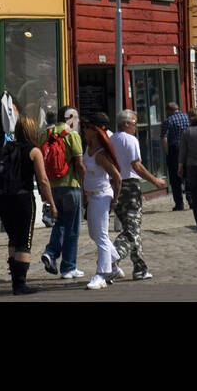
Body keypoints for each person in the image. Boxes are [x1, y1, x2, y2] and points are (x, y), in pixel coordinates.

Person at [0, 116, 57, 295]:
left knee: (13, 238)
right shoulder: (34, 151)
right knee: (24, 239)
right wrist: (51, 203)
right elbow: (43, 180)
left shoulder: (5, 149)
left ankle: (16, 280)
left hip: (3, 199)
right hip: (22, 198)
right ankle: (20, 284)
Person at [110, 109, 168, 278]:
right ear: (126, 124)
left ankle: (140, 268)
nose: (136, 126)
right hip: (129, 187)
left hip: (115, 186)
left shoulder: (111, 140)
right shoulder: (131, 140)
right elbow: (137, 166)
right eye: (134, 123)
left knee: (132, 228)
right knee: (131, 230)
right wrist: (155, 181)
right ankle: (112, 258)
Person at [39, 106, 86, 280]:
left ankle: (53, 255)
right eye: (76, 117)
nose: (78, 121)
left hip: (52, 187)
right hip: (70, 185)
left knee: (60, 222)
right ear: (69, 118)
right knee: (72, 227)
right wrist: (85, 185)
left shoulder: (45, 134)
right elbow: (80, 164)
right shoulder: (72, 135)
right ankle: (67, 266)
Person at [79, 112, 122, 290]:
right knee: (94, 234)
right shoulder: (88, 149)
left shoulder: (100, 155)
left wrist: (114, 200)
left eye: (87, 128)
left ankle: (101, 274)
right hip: (91, 195)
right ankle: (114, 264)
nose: (83, 131)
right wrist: (84, 195)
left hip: (102, 196)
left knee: (102, 236)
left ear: (96, 131)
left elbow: (117, 178)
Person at [160, 102, 190, 211]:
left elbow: (164, 138)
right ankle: (191, 200)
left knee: (175, 177)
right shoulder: (187, 117)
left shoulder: (168, 121)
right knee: (188, 175)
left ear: (169, 110)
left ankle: (179, 203)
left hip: (175, 149)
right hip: (187, 148)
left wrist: (167, 152)